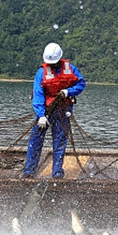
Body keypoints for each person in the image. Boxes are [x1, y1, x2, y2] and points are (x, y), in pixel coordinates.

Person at [24, 42, 85, 179]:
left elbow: (81, 84)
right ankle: (29, 171)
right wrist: (41, 115)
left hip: (63, 110)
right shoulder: (42, 72)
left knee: (60, 141)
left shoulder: (71, 69)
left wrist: (68, 91)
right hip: (46, 110)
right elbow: (38, 94)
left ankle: (57, 172)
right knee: (35, 140)